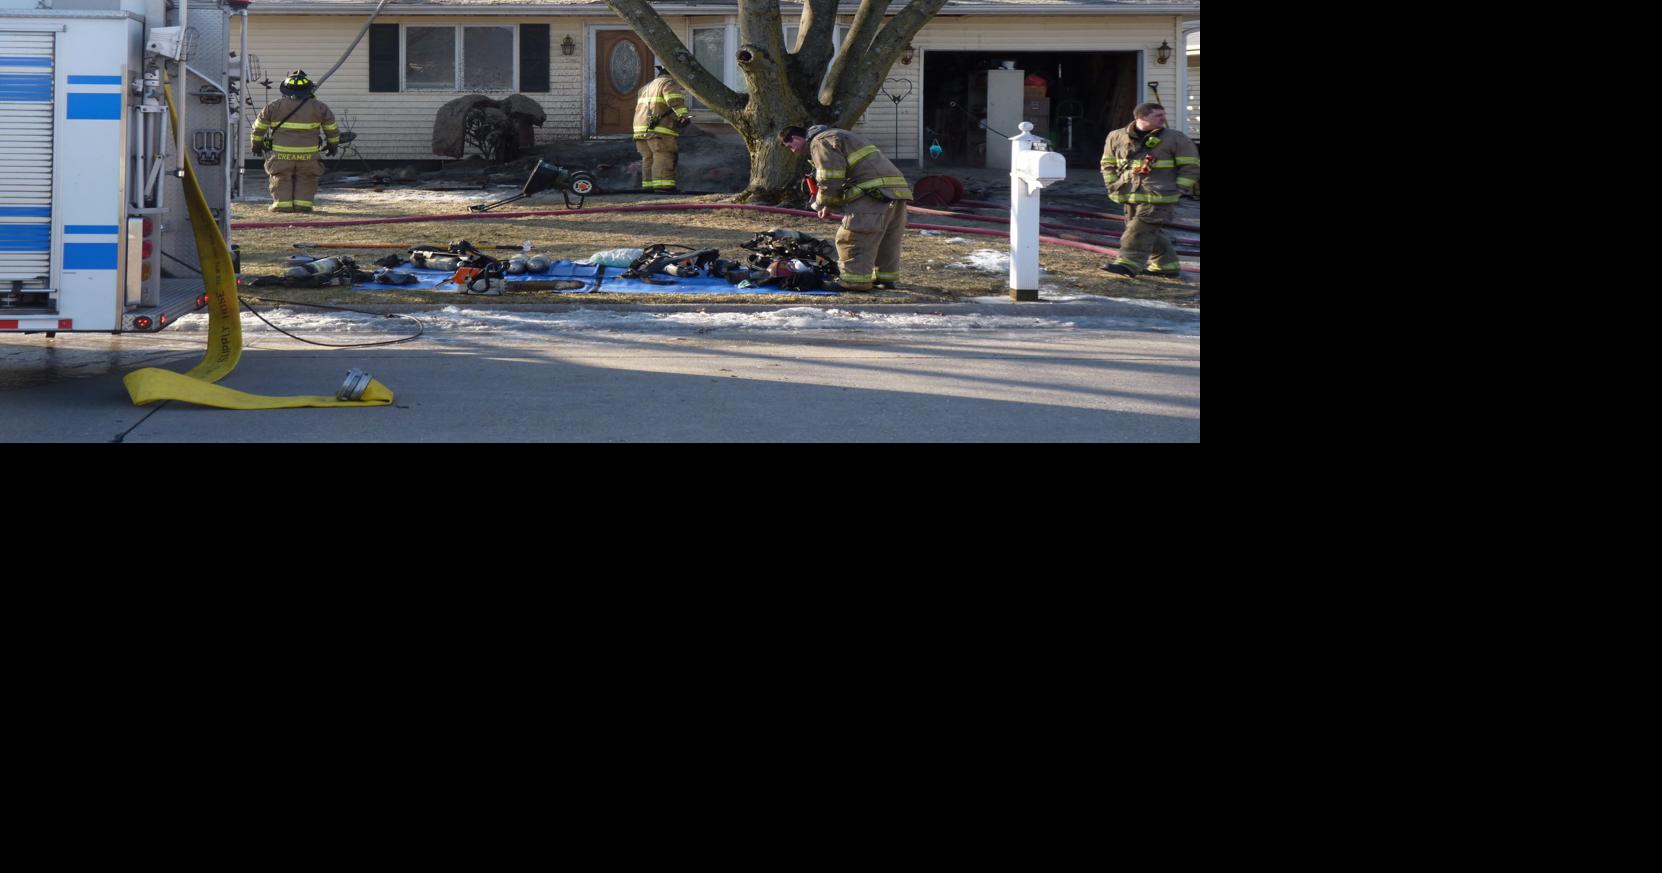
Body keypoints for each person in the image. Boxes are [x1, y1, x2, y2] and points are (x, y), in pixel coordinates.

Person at [780, 124, 912, 293]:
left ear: (797, 139)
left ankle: (853, 282)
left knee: (853, 236)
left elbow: (830, 177)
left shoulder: (820, 142)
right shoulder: (841, 135)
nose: (793, 152)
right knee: (886, 238)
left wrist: (824, 204)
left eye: (791, 147)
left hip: (871, 194)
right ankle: (884, 279)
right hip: (896, 192)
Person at [1100, 102, 1200, 278]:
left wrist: (1179, 189)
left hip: (1160, 195)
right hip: (1129, 192)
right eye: (1158, 116)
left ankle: (1128, 263)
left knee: (1138, 230)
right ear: (1141, 117)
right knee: (1146, 230)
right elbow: (1108, 164)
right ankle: (1166, 265)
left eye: (1164, 115)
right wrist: (1112, 186)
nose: (1164, 119)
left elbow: (1191, 166)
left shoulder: (1176, 138)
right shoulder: (1116, 136)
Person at [249, 70, 339, 213]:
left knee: (281, 176)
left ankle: (282, 206)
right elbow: (331, 130)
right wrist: (333, 145)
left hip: (282, 154)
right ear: (308, 89)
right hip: (308, 154)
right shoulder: (319, 107)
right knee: (306, 177)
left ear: (284, 89)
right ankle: (303, 205)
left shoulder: (273, 107)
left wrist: (256, 145)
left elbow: (258, 129)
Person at [634, 66, 691, 194]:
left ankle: (648, 185)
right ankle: (663, 186)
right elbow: (674, 101)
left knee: (648, 158)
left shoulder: (646, 87)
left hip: (640, 129)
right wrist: (683, 117)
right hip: (659, 129)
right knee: (663, 155)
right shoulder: (668, 83)